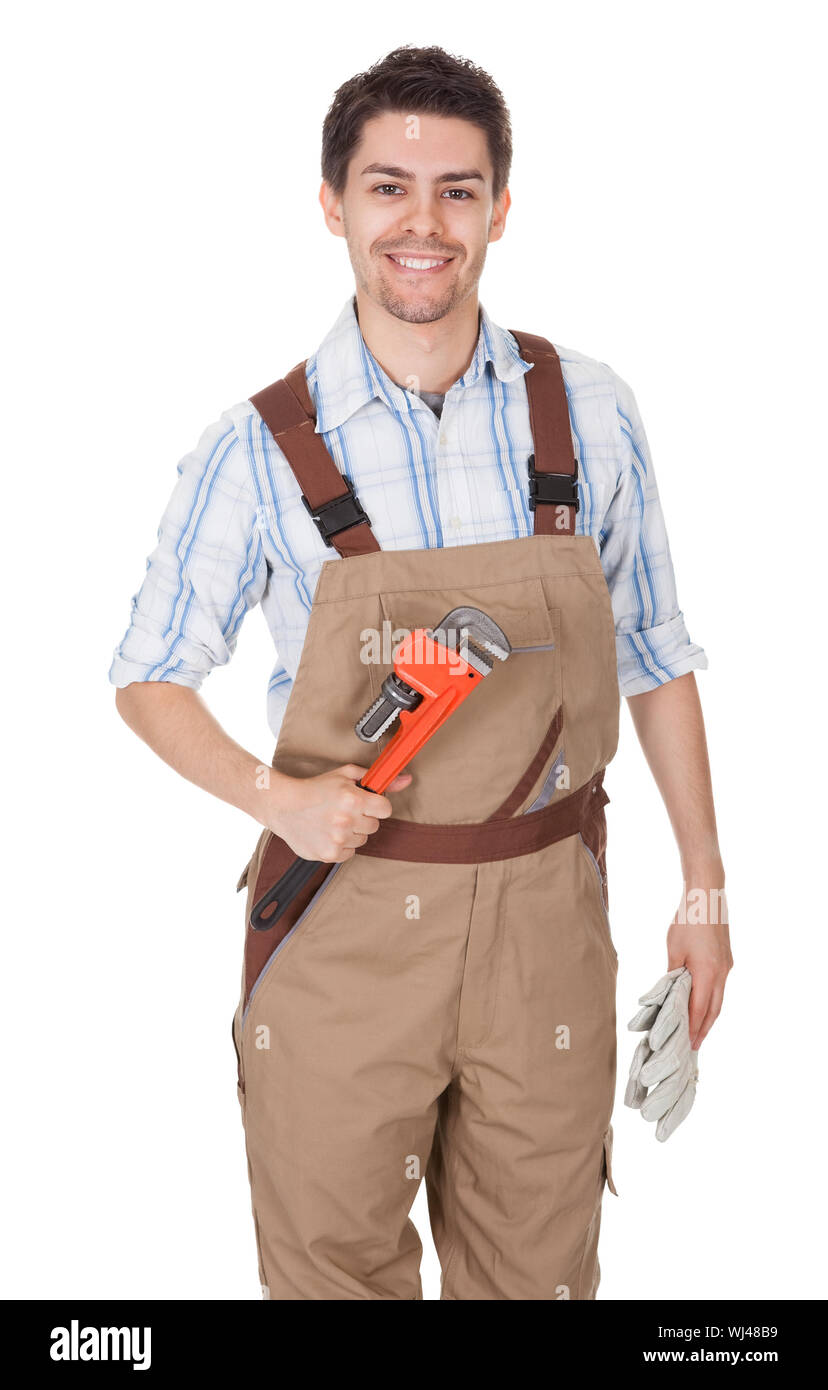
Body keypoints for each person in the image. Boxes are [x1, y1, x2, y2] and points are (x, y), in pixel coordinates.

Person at [110, 45, 732, 1301]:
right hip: (342, 926)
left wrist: (704, 890)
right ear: (332, 203)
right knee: (334, 1276)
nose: (424, 223)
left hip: (549, 920)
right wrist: (272, 797)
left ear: (502, 207)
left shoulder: (590, 412)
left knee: (538, 1278)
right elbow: (148, 677)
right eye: (388, 186)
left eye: (458, 189)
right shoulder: (258, 450)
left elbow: (659, 653)